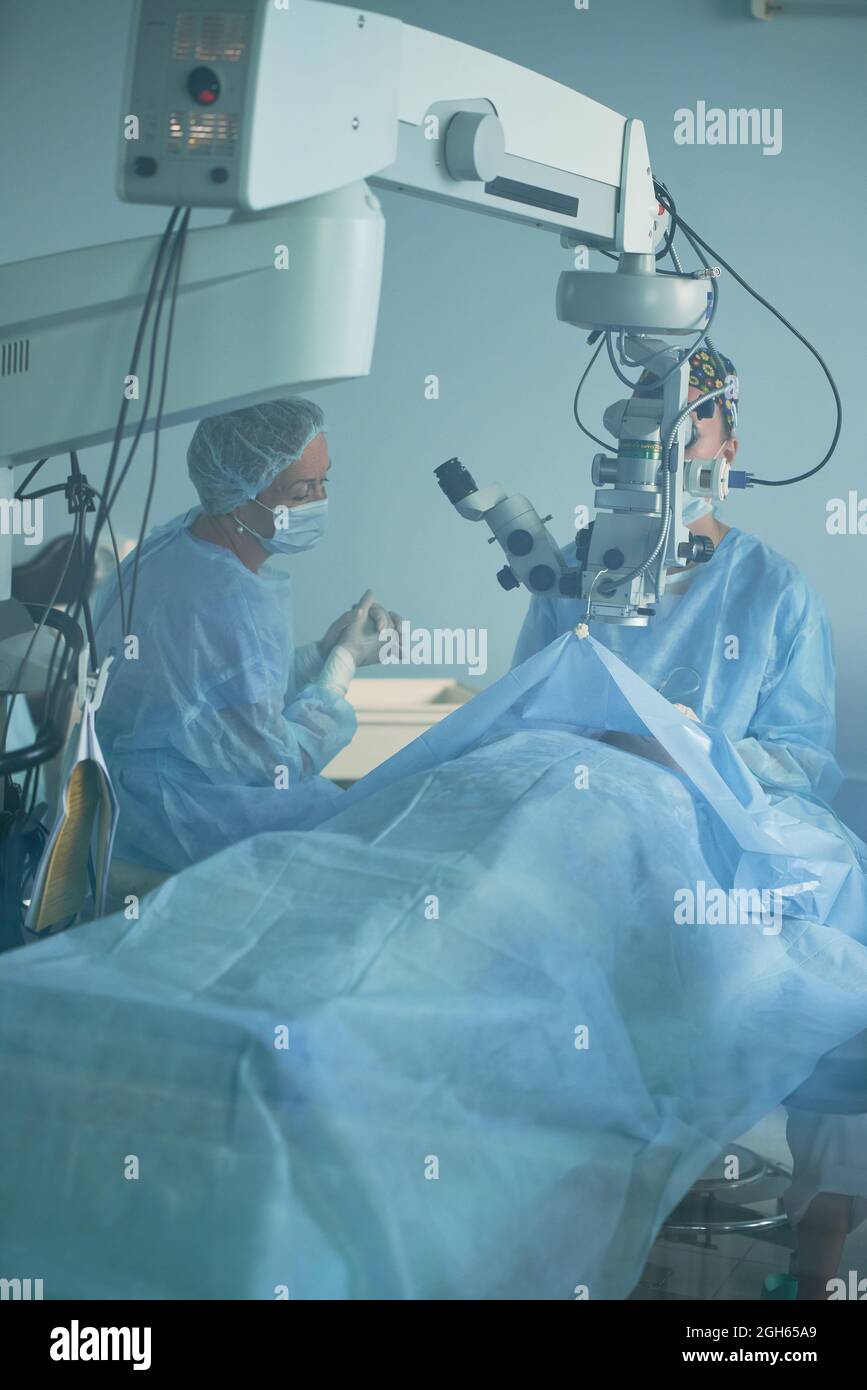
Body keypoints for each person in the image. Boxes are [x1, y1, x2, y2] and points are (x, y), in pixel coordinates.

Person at [513, 346, 867, 1297]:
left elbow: (799, 756)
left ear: (729, 444)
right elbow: (525, 711)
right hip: (581, 828)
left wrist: (693, 757)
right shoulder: (580, 572)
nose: (661, 451)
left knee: (822, 965)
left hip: (722, 844)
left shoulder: (772, 591)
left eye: (688, 427)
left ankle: (817, 1256)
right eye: (643, 432)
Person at [93, 398, 401, 874]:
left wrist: (322, 653)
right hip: (184, 821)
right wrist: (342, 666)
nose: (319, 501)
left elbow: (214, 694)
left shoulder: (180, 544)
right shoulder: (226, 602)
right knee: (378, 846)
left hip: (134, 796)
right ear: (240, 494)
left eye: (325, 482)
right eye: (301, 492)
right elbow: (279, 765)